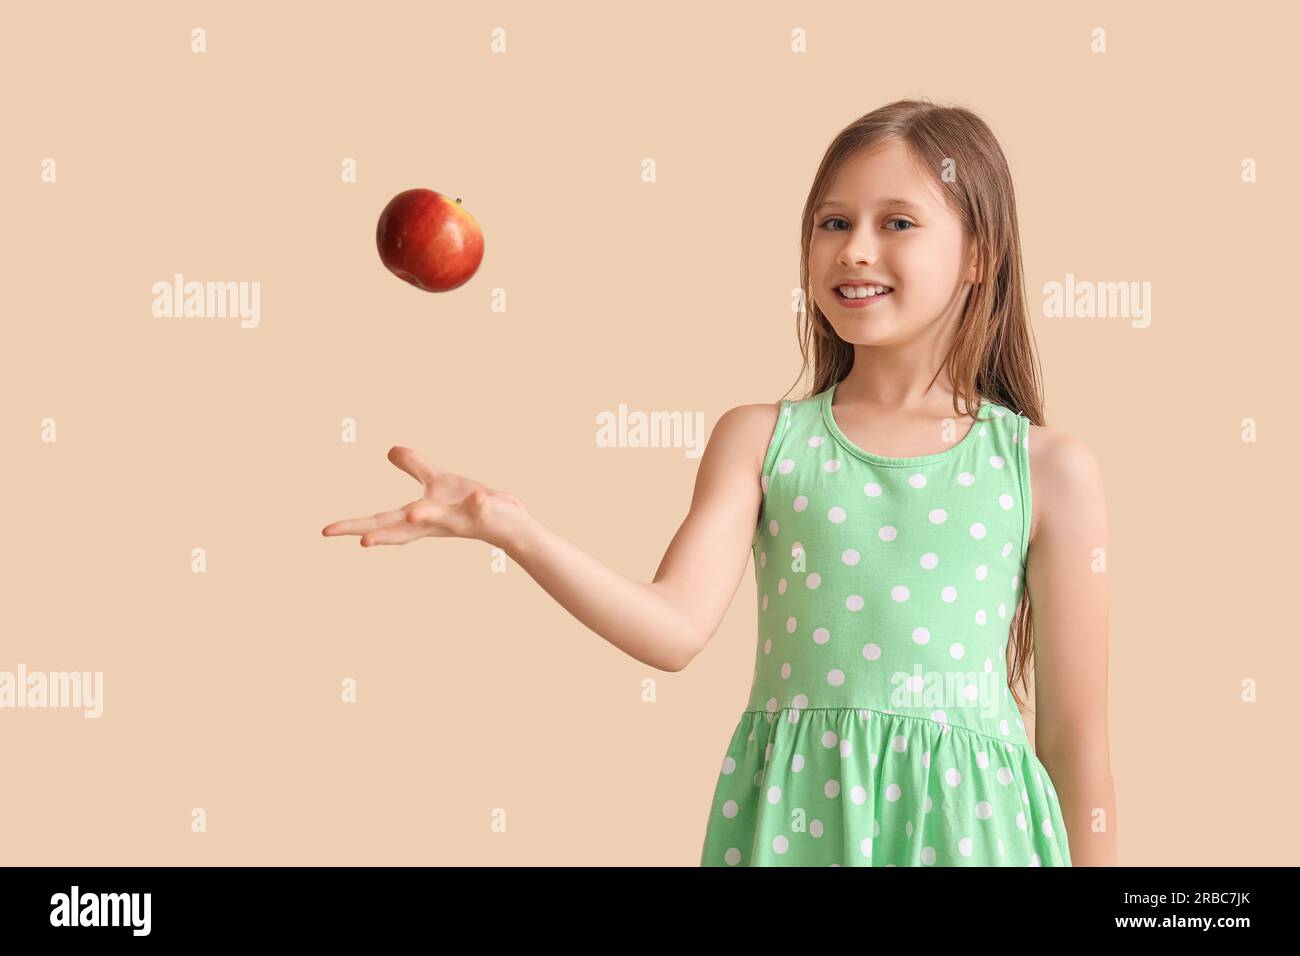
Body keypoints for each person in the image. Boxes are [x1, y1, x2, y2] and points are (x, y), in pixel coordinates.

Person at [322, 98, 1117, 867]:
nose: (856, 251)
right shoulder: (763, 440)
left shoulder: (1046, 470)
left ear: (980, 254)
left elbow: (1076, 742)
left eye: (897, 223)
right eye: (833, 223)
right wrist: (510, 528)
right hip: (800, 824)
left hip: (977, 837)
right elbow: (672, 628)